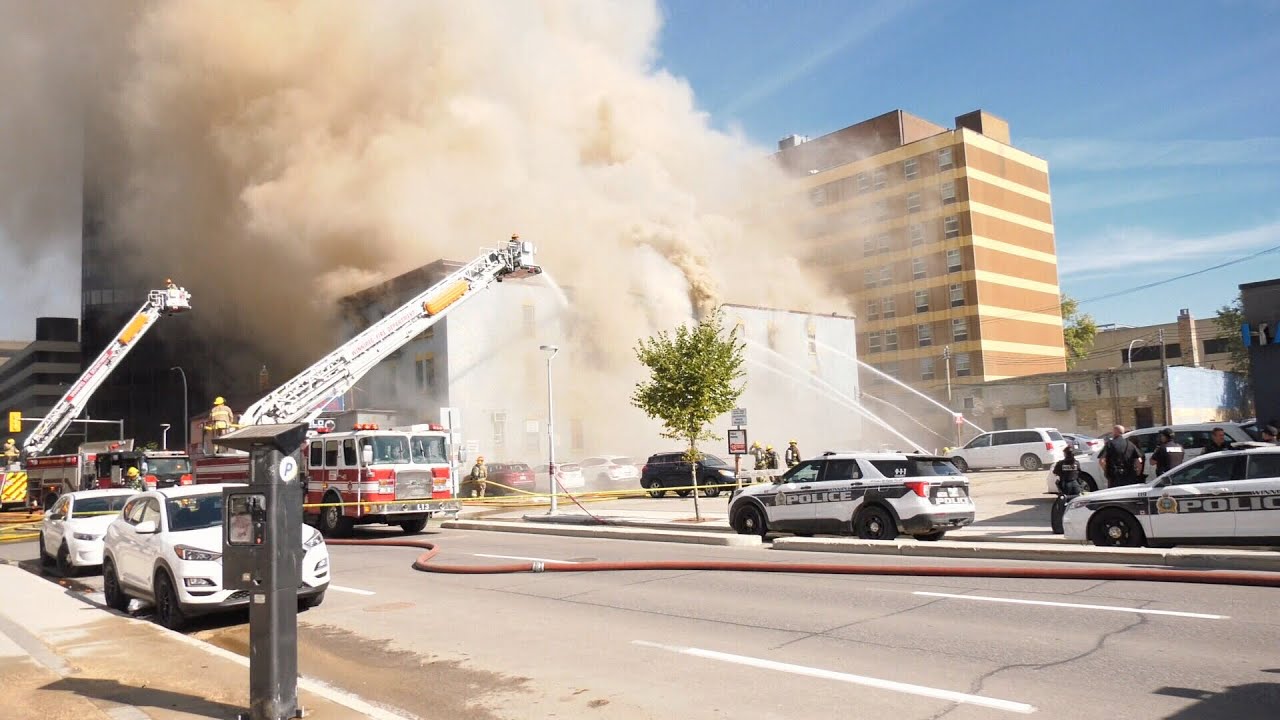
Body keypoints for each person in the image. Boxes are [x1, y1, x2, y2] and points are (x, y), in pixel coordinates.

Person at [1049, 447, 1082, 534]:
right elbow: (1079, 473)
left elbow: (1055, 472)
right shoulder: (1077, 463)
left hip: (1065, 485)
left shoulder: (1060, 463)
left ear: (1065, 454)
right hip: (1075, 486)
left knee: (1064, 506)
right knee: (1076, 506)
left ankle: (1063, 525)